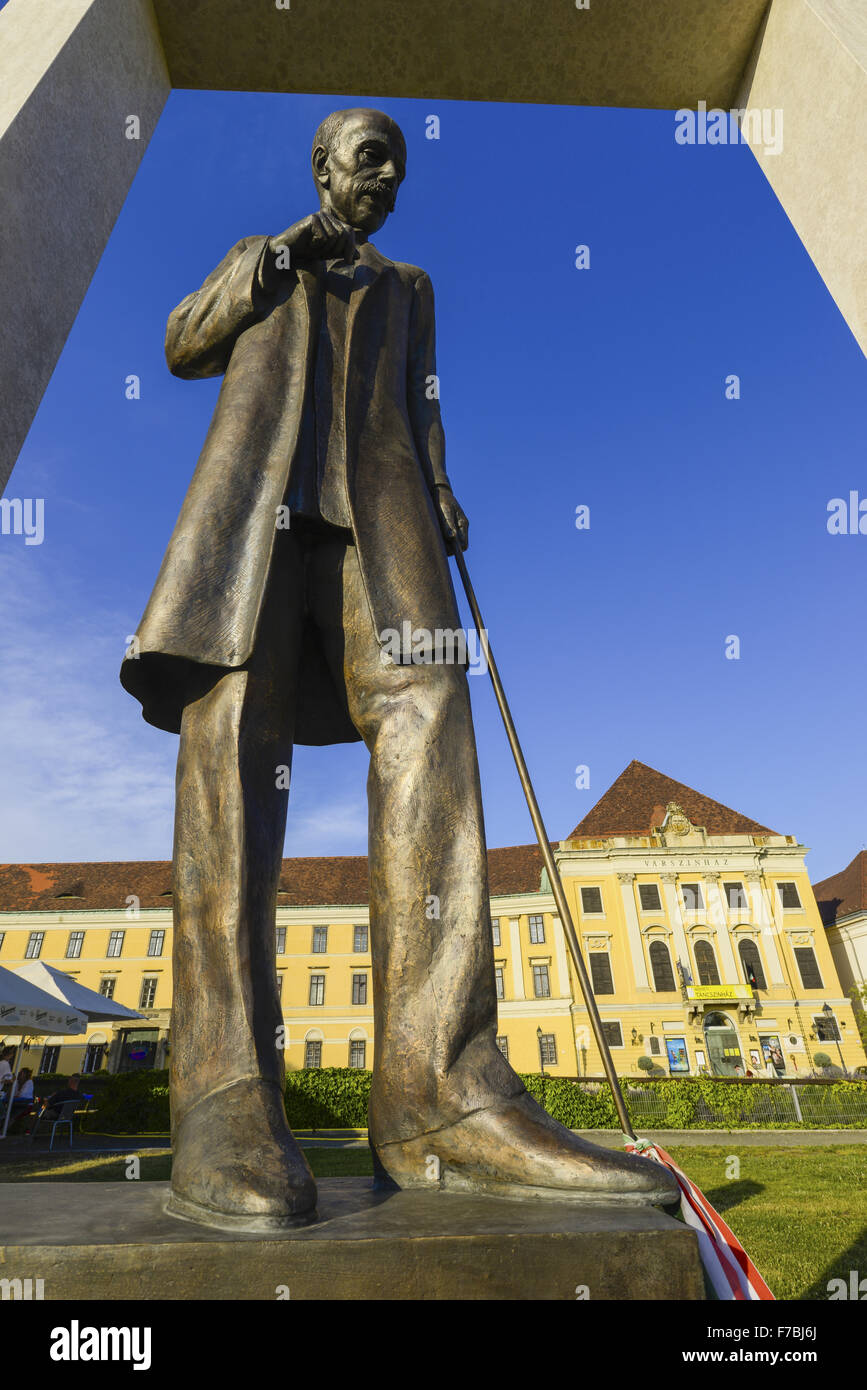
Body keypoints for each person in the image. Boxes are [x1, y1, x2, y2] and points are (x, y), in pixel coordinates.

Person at [120, 107, 677, 1229]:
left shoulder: (410, 290)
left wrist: (441, 479)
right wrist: (279, 255)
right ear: (322, 169)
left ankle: (441, 1084)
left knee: (436, 715)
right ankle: (223, 1089)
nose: (385, 177)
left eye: (398, 166)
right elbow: (184, 341)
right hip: (256, 528)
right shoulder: (263, 259)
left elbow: (419, 401)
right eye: (367, 158)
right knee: (230, 743)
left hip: (382, 527)